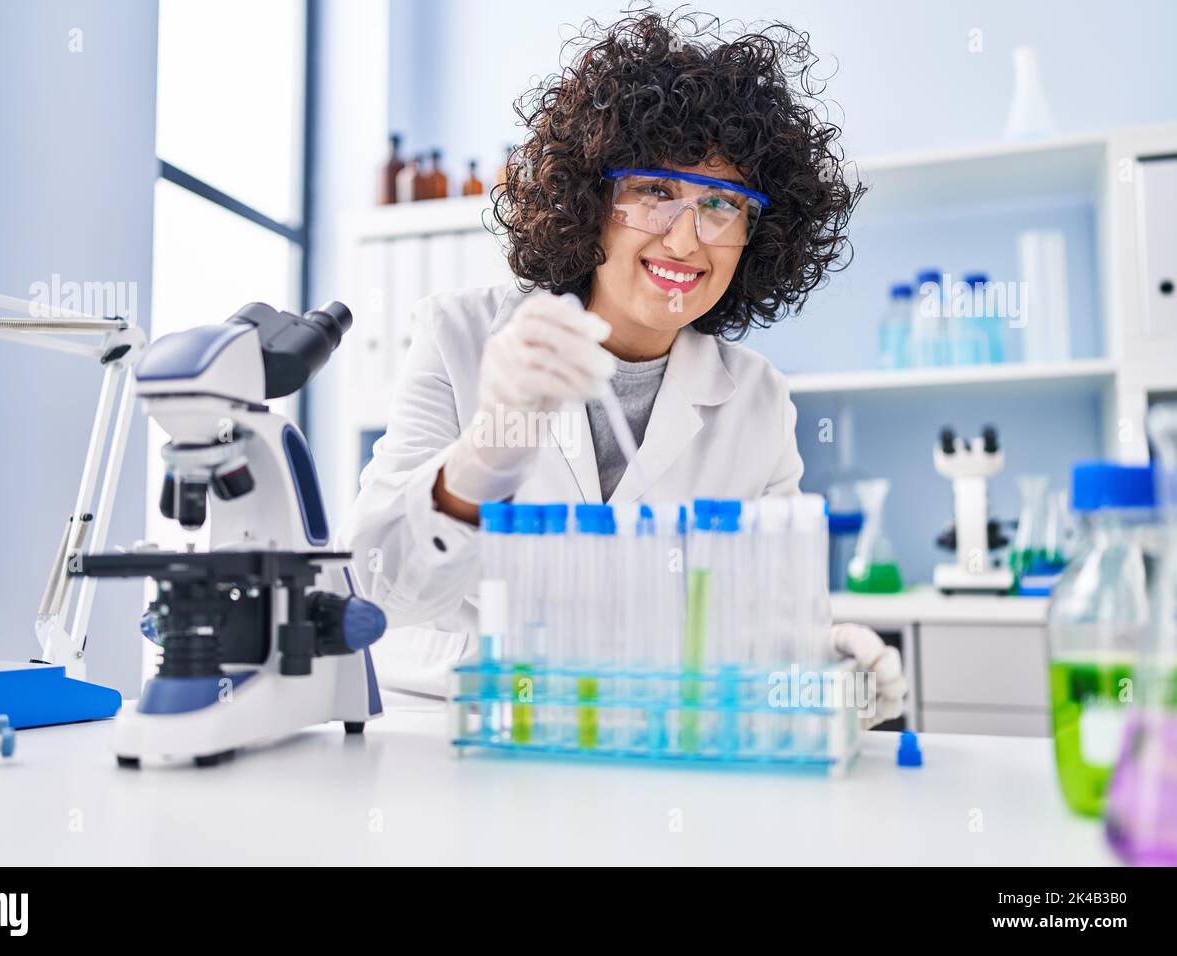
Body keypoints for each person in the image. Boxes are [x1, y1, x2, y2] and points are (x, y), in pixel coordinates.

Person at [339, 10, 906, 726]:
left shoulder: (758, 401)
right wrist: (479, 463)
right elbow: (376, 588)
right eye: (654, 192)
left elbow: (768, 630)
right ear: (589, 201)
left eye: (722, 204)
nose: (686, 238)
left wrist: (821, 670)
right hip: (447, 734)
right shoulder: (459, 336)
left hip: (645, 747)